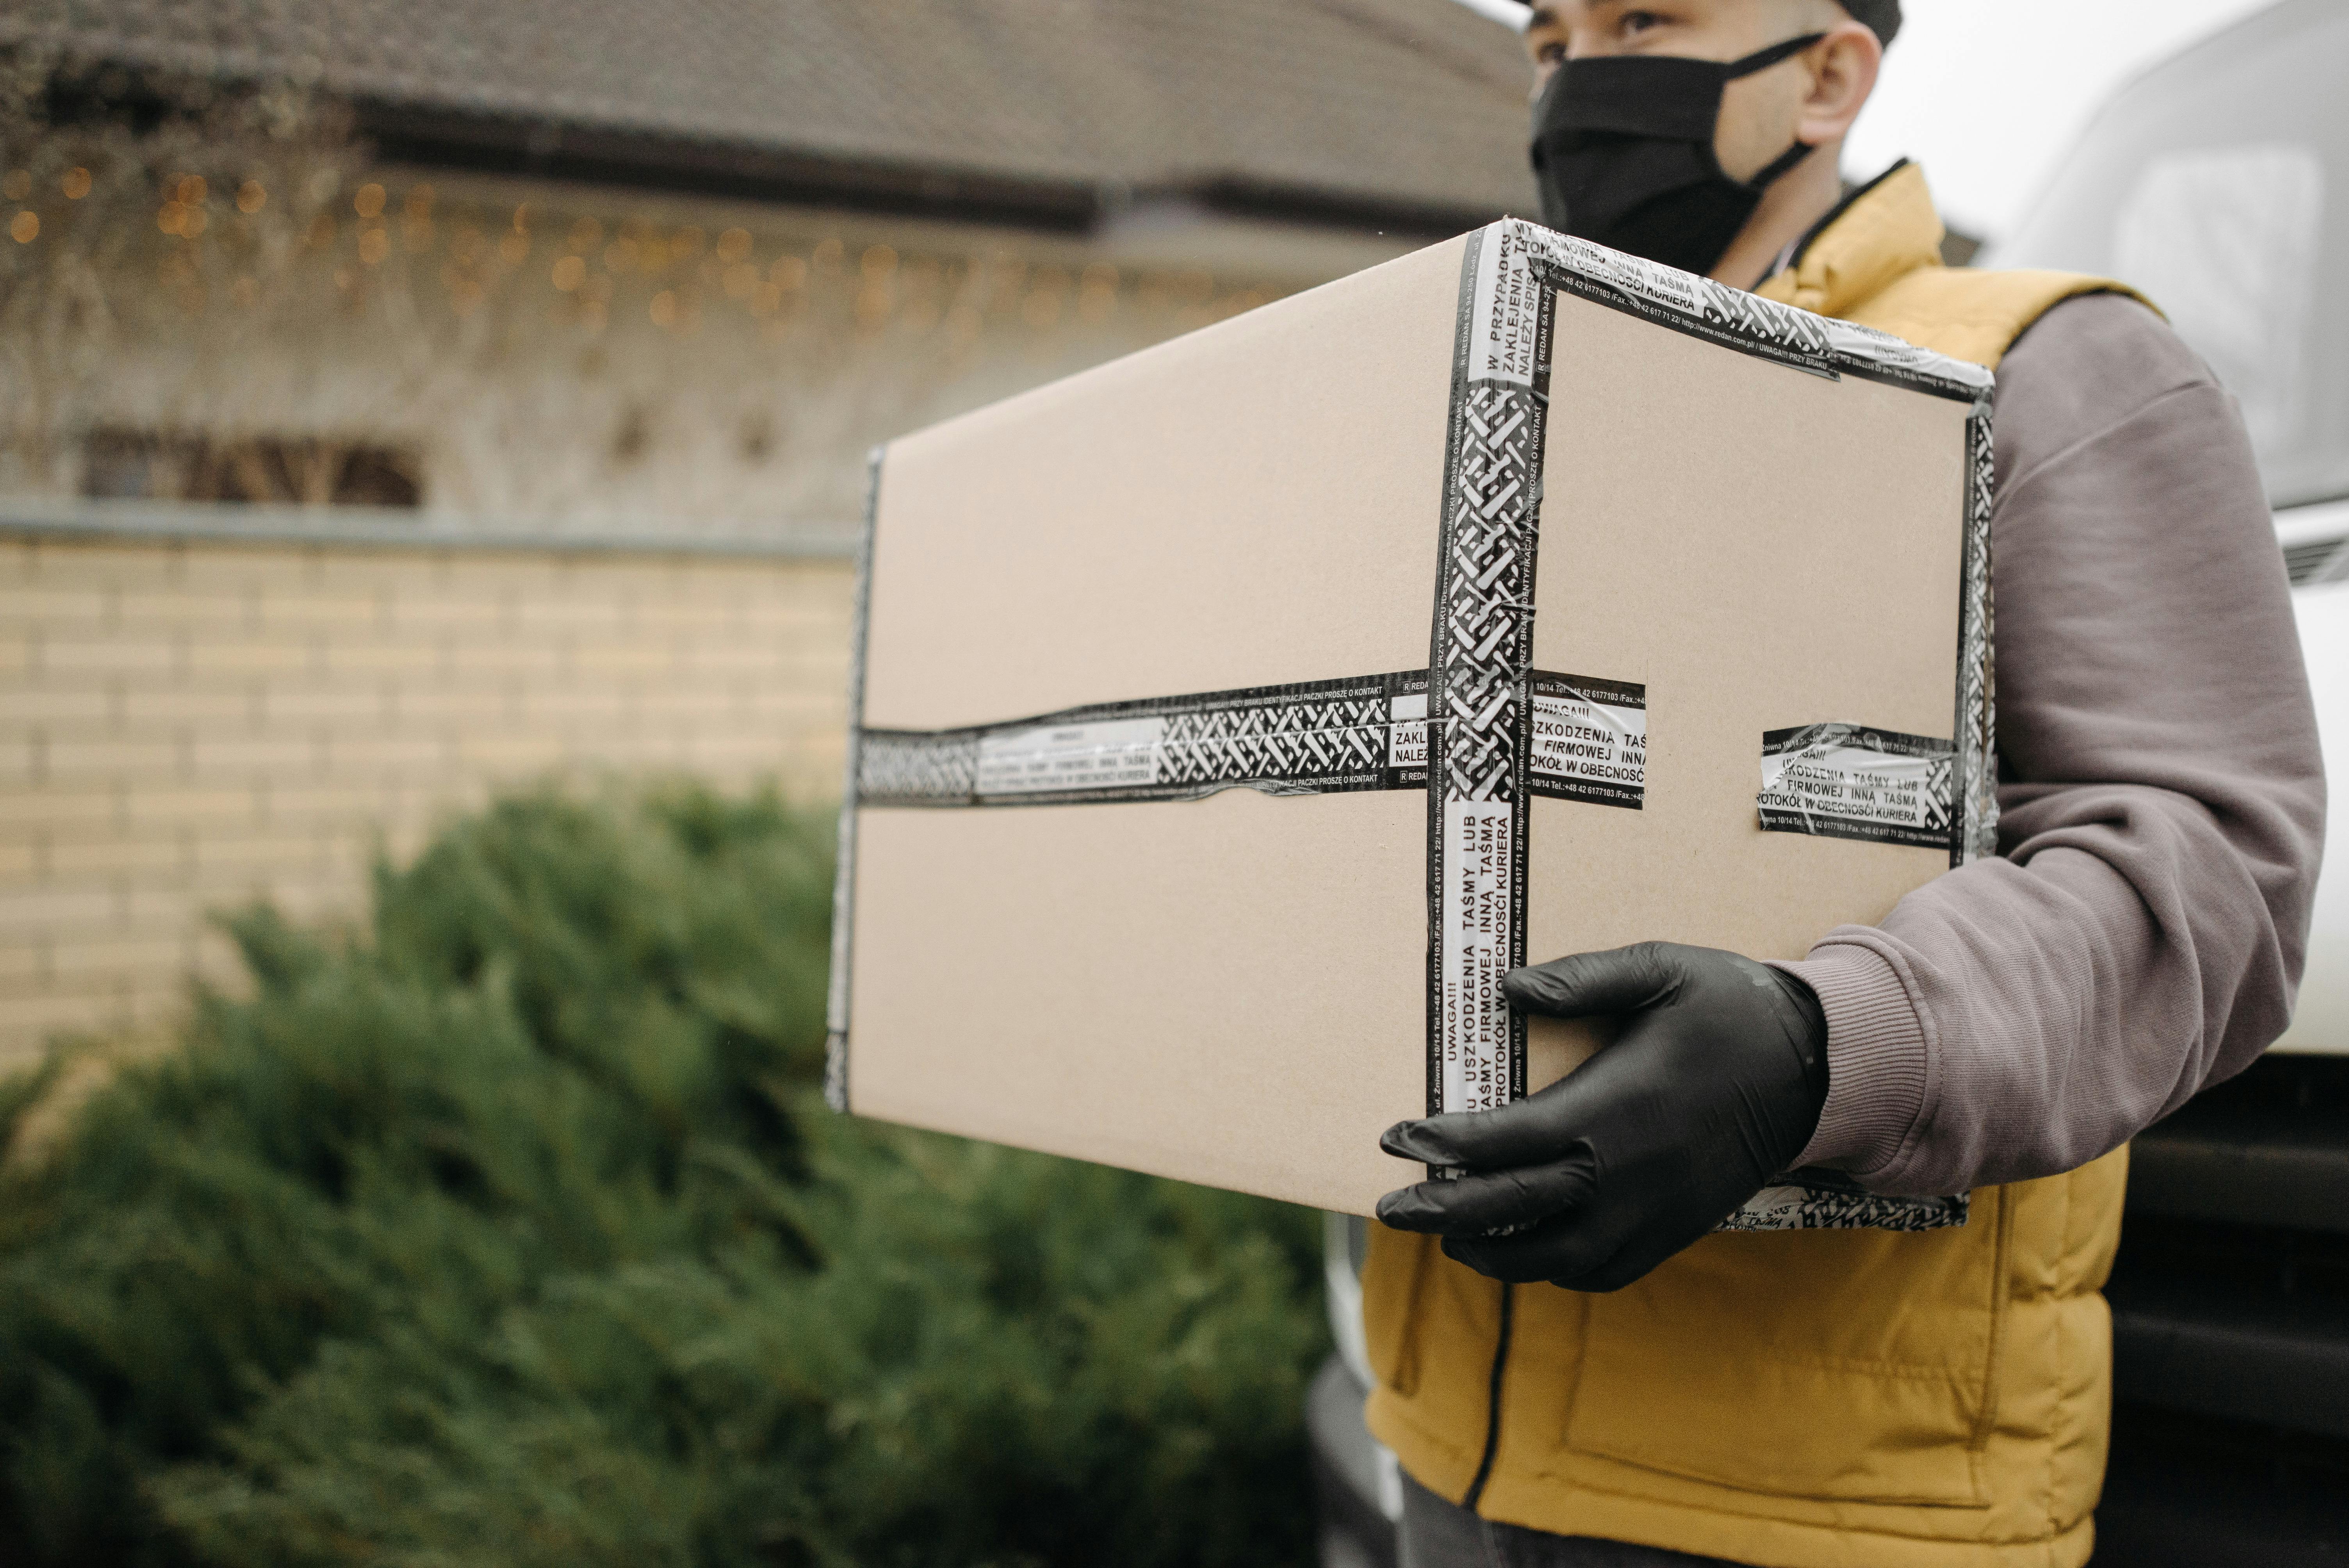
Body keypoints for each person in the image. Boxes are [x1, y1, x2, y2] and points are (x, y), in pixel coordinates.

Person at [1360, 2, 2326, 1565]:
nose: (1576, 80)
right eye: (1549, 38)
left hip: (1815, 1501)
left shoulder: (2058, 367)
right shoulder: (1512, 395)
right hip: (1442, 1435)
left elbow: (2205, 883)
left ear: (1826, 75)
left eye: (1643, 20)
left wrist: (1816, 1050)